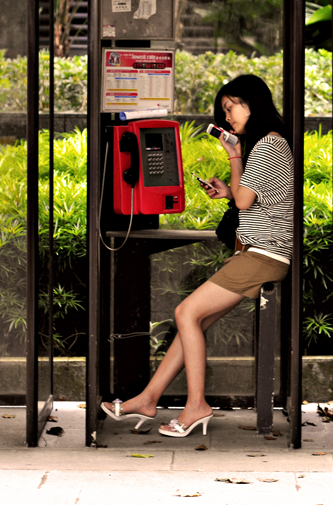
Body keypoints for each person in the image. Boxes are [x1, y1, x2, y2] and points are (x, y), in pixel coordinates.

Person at [101, 74, 294, 437]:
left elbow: (243, 200)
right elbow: (246, 196)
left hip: (264, 254)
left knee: (185, 312)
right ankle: (148, 398)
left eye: (231, 106)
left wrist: (234, 156)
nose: (228, 115)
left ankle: (196, 406)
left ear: (254, 103)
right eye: (224, 109)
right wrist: (227, 187)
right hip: (259, 252)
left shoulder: (268, 144)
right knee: (196, 322)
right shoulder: (269, 143)